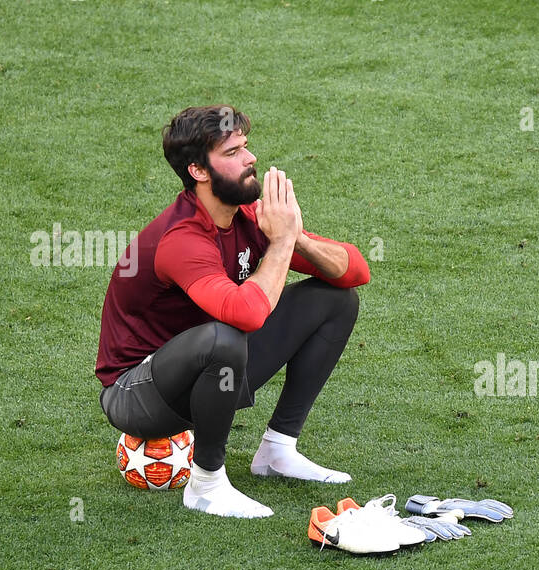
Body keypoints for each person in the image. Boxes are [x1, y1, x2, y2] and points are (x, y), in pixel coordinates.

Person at [96, 105, 369, 518]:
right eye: (233, 152)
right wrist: (279, 247)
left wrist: (295, 236)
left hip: (208, 371)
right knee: (224, 335)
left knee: (335, 299)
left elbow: (356, 271)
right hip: (138, 394)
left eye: (246, 147)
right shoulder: (181, 239)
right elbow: (246, 316)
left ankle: (277, 451)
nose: (251, 158)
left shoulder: (246, 217)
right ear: (199, 171)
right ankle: (205, 484)